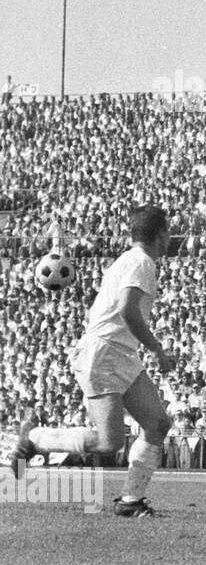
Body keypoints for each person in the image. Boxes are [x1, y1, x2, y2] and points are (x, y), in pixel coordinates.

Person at [12, 206, 176, 517]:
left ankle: (130, 501)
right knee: (107, 442)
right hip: (104, 353)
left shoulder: (133, 260)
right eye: (167, 231)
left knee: (157, 424)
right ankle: (34, 438)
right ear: (160, 234)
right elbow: (128, 310)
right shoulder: (141, 262)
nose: (169, 237)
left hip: (120, 353)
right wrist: (156, 349)